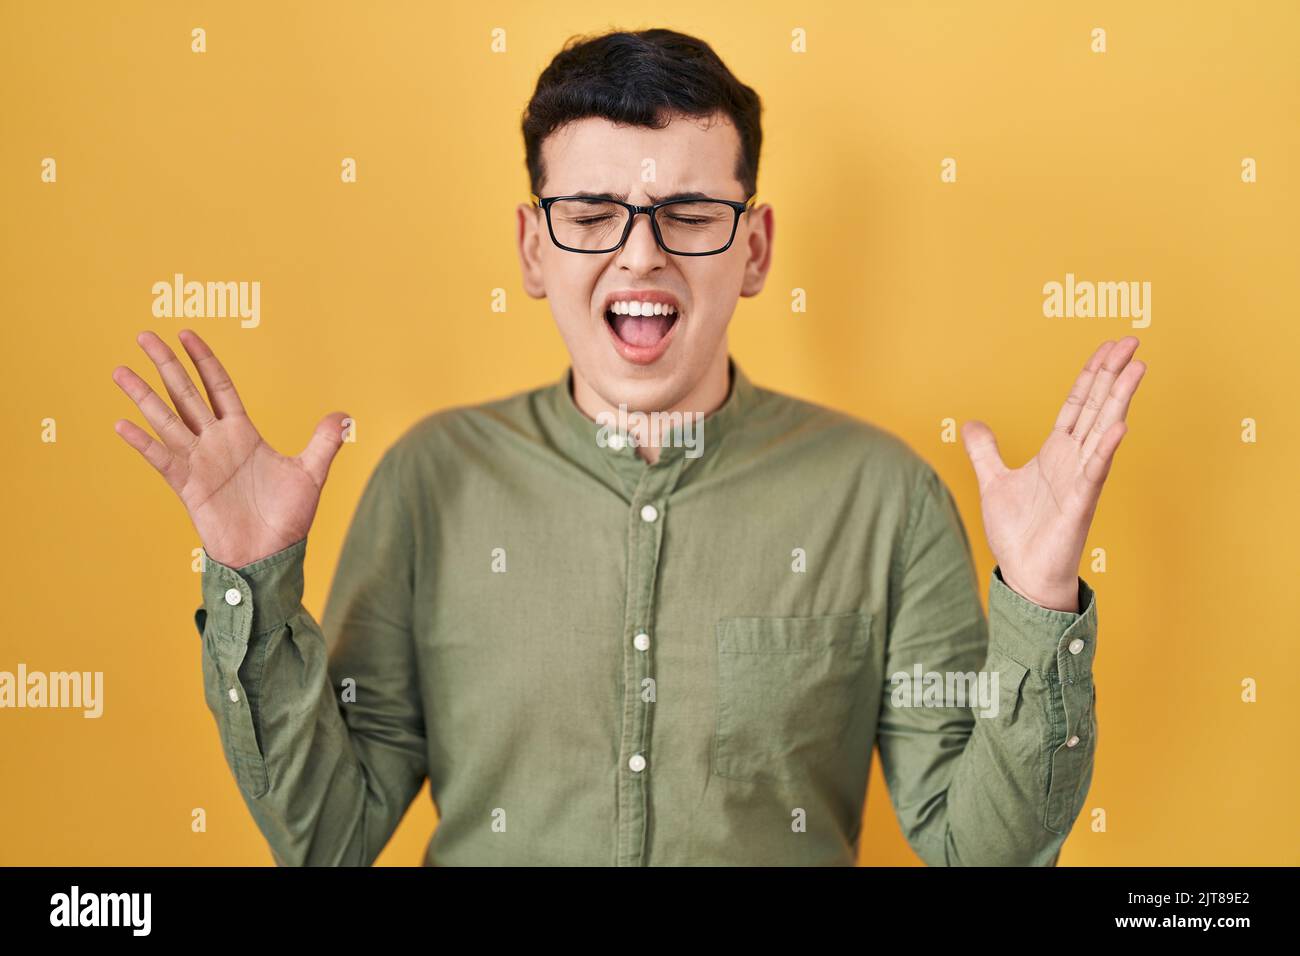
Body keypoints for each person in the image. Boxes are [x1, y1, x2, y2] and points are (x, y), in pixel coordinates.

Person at [110, 28, 1145, 866]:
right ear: (530, 246)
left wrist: (1040, 602)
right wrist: (254, 582)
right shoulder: (429, 482)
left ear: (754, 246)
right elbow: (329, 837)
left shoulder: (885, 495)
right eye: (592, 212)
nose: (638, 251)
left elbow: (984, 850)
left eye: (688, 211)